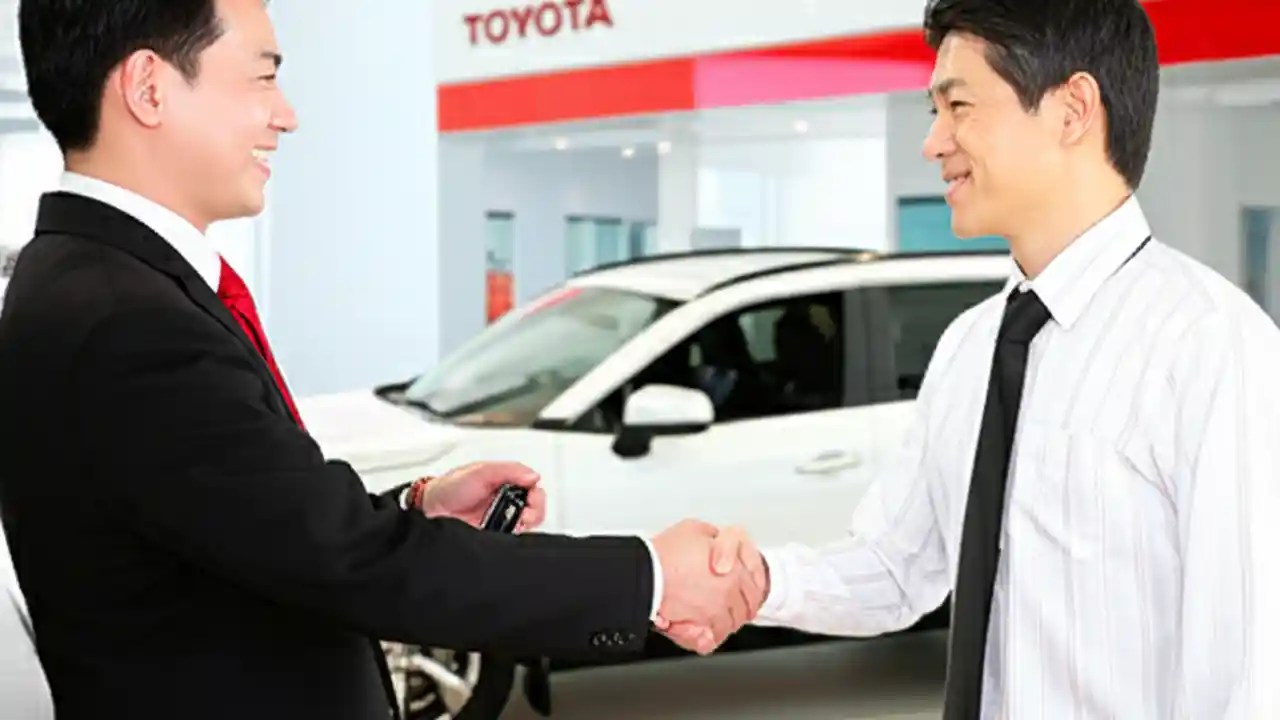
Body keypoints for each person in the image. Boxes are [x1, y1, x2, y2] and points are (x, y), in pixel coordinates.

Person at [0, 1, 761, 718]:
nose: (286, 114)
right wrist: (650, 577)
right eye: (263, 75)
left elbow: (253, 525)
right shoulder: (128, 321)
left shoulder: (89, 280)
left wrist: (413, 507)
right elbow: (350, 565)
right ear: (150, 88)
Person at [674, 0, 1280, 717]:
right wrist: (760, 579)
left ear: (1072, 109)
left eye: (958, 105)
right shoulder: (972, 344)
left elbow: (1247, 674)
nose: (933, 142)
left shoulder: (1212, 344)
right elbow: (898, 564)